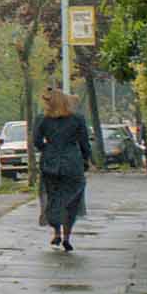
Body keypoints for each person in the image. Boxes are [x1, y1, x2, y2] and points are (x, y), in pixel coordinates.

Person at [35, 88, 93, 249]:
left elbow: (36, 141)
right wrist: (86, 159)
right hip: (72, 164)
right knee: (72, 201)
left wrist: (48, 149)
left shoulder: (42, 119)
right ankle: (67, 236)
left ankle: (56, 233)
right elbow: (84, 143)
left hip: (50, 164)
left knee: (53, 198)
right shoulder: (77, 119)